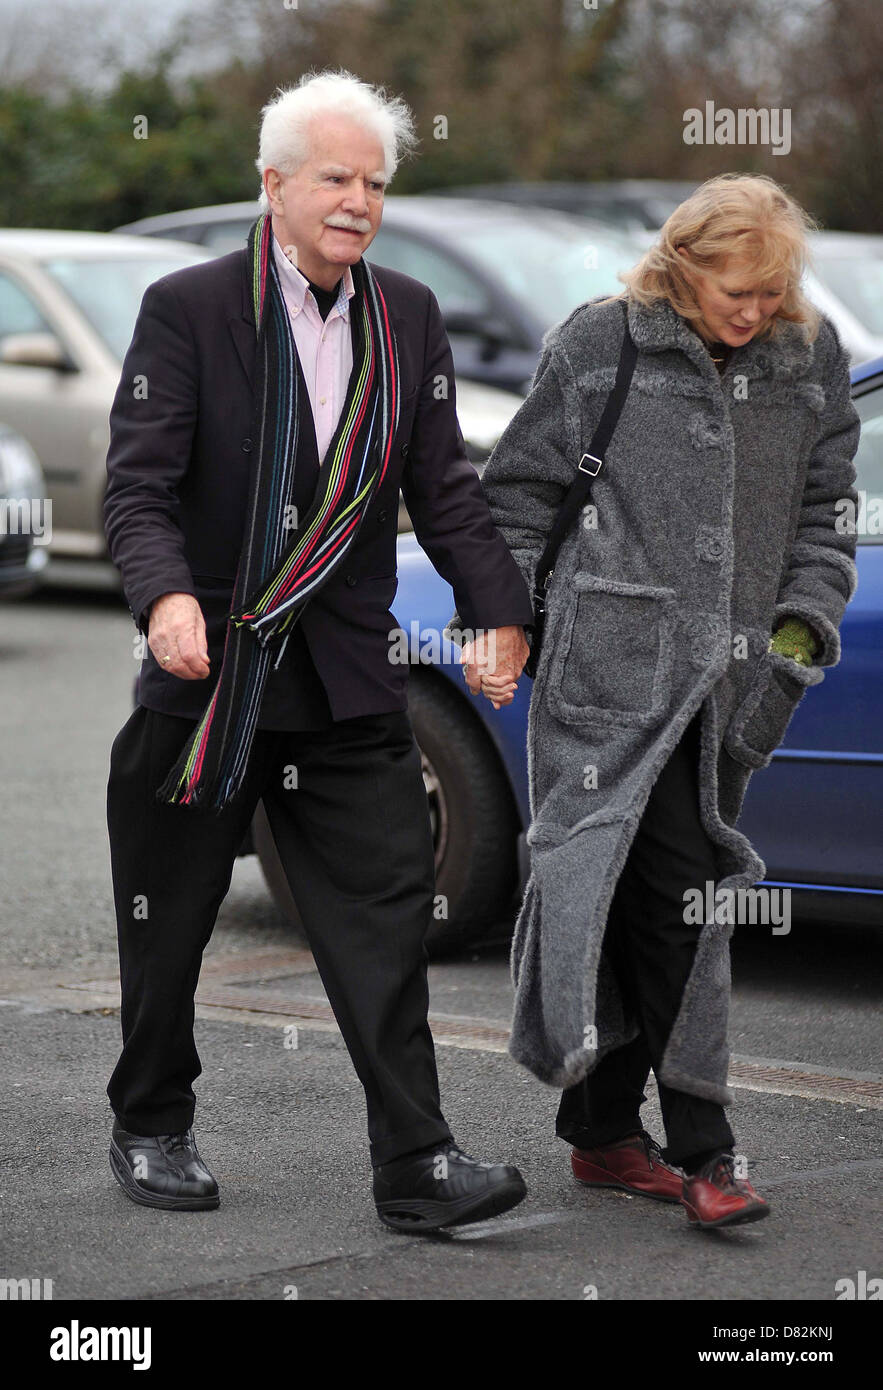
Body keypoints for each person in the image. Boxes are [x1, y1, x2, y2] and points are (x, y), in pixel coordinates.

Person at [102, 70, 533, 1233]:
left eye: (376, 182)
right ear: (272, 183)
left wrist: (499, 607)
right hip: (210, 679)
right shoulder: (187, 309)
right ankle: (150, 1120)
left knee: (387, 925)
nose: (358, 201)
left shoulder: (408, 313)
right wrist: (164, 601)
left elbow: (443, 483)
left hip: (344, 680)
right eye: (335, 177)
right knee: (170, 920)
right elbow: (139, 486)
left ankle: (415, 1162)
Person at [474, 173, 860, 1228]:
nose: (754, 310)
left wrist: (791, 637)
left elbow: (827, 513)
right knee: (675, 900)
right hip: (607, 680)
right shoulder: (601, 342)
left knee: (630, 903)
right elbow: (516, 493)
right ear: (682, 265)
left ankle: (600, 1135)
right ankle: (707, 1148)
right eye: (736, 289)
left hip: (733, 682)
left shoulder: (806, 356)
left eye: (771, 290)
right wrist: (502, 620)